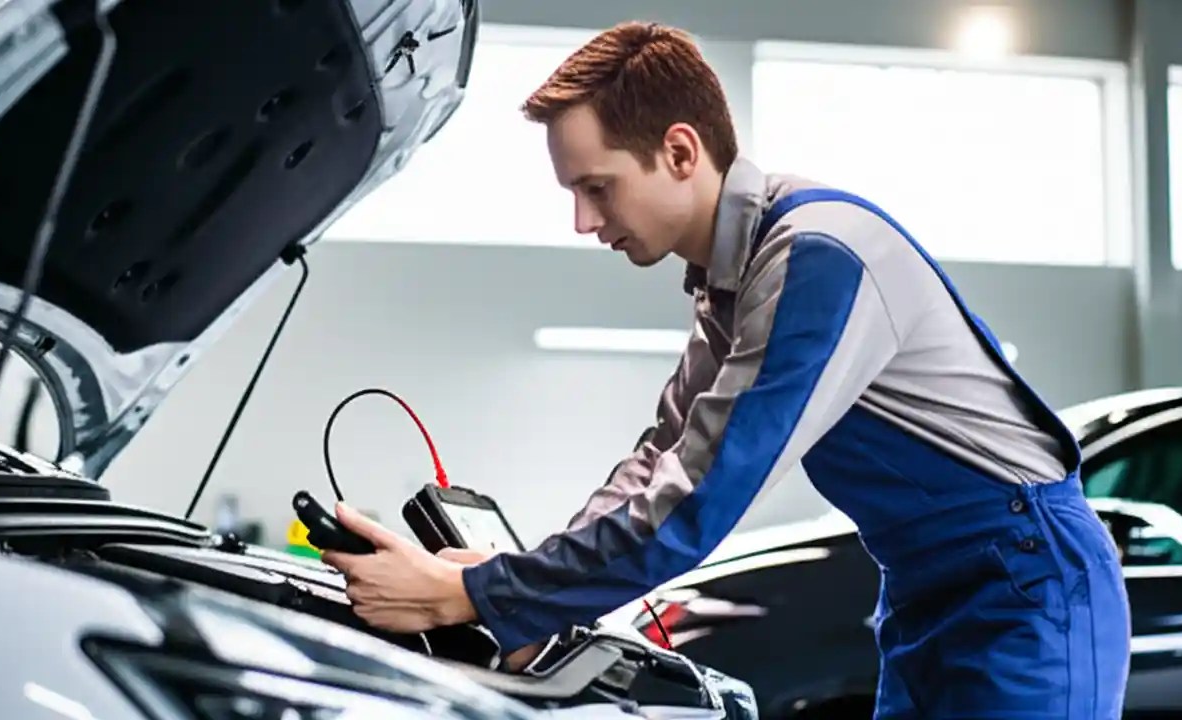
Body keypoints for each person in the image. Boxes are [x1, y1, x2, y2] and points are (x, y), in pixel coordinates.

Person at [321, 20, 1131, 718]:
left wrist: (481, 595)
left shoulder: (816, 257)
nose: (581, 220)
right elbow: (662, 453)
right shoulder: (730, 279)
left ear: (679, 150)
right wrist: (522, 583)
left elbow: (698, 498)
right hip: (930, 593)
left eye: (596, 186)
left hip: (1027, 583)